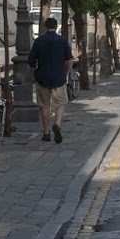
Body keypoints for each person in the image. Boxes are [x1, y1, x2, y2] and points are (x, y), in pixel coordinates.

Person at [28, 16, 74, 144]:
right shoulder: (62, 40)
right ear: (56, 26)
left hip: (42, 77)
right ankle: (57, 125)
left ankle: (46, 132)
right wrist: (66, 73)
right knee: (60, 103)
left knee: (44, 105)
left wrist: (35, 74)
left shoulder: (39, 41)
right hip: (59, 77)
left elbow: (31, 62)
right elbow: (69, 60)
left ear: (45, 27)